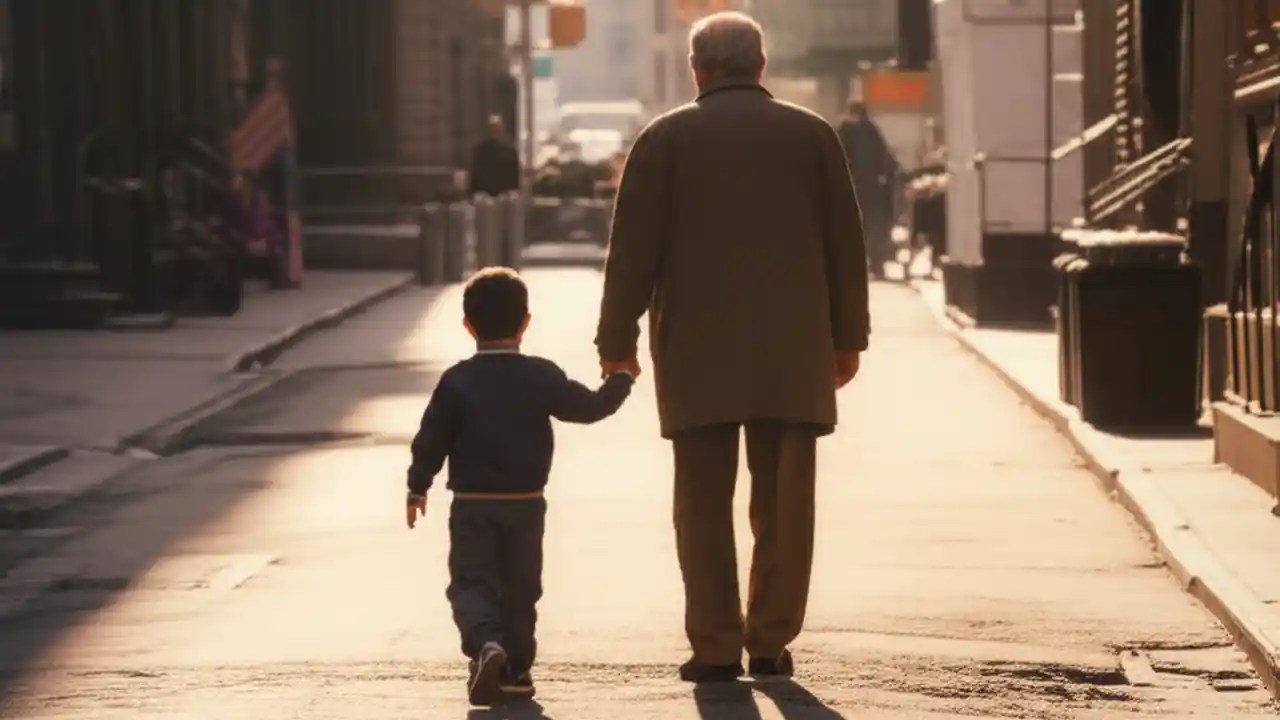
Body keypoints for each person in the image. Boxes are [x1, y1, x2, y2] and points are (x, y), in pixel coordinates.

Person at [595, 12, 870, 684]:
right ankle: (770, 639)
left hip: (695, 347)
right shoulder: (812, 137)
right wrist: (848, 337)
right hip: (793, 350)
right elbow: (846, 243)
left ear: (699, 69)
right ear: (762, 66)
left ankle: (716, 643)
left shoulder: (663, 141)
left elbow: (631, 252)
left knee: (701, 502)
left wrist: (616, 340)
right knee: (784, 504)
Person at [405, 268, 635, 706]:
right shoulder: (541, 376)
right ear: (525, 323)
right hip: (527, 503)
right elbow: (589, 408)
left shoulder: (456, 381)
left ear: (468, 325)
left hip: (471, 503)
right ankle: (516, 669)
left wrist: (418, 486)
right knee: (521, 588)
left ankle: (485, 643)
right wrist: (621, 378)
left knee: (472, 582)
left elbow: (430, 438)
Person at [837, 101, 899, 279]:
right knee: (875, 227)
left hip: (850, 187)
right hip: (874, 188)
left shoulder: (843, 131)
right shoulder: (872, 131)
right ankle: (876, 265)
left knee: (852, 228)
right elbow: (885, 159)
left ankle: (852, 267)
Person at [469, 116, 522, 197]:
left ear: (502, 129)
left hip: (504, 193)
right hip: (485, 193)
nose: (495, 130)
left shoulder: (509, 150)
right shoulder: (481, 150)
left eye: (497, 127)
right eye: (493, 128)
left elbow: (514, 172)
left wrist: (513, 190)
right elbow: (476, 172)